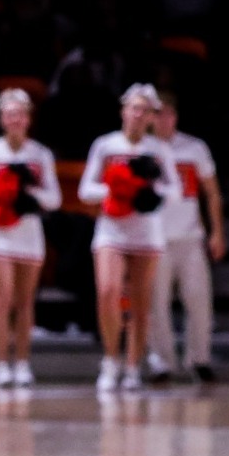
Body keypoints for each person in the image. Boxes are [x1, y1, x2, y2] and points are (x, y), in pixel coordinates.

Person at [78, 83, 180, 392]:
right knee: (108, 292)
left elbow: (175, 191)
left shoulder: (159, 150)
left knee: (140, 302)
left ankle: (134, 365)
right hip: (111, 230)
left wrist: (150, 193)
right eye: (133, 108)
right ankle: (111, 360)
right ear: (123, 111)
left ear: (151, 116)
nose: (138, 114)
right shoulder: (105, 146)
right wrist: (118, 188)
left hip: (146, 234)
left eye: (145, 110)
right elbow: (85, 191)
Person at [0, 88, 62, 386]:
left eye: (20, 114)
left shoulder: (40, 154)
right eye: (9, 114)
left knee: (25, 301)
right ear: (1, 118)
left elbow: (54, 199)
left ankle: (23, 363)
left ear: (28, 118)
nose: (15, 119)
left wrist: (30, 194)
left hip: (28, 233)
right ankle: (1, 364)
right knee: (2, 298)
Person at [145, 91, 226, 384]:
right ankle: (161, 362)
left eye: (167, 113)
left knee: (199, 300)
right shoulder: (143, 148)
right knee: (156, 304)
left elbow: (212, 193)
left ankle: (199, 358)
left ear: (175, 116)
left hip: (191, 236)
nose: (162, 119)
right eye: (156, 113)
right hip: (154, 239)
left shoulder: (194, 147)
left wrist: (217, 232)